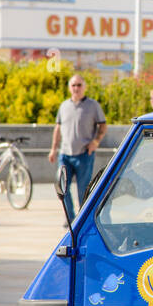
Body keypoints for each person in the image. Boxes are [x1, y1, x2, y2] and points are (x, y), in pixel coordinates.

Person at [49, 75, 107, 221]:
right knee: (62, 188)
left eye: (79, 85)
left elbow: (103, 125)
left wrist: (96, 142)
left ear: (84, 87)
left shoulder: (93, 105)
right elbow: (58, 127)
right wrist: (53, 149)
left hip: (84, 154)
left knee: (83, 191)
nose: (76, 88)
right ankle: (70, 218)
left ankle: (82, 221)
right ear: (70, 87)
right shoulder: (64, 106)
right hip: (65, 154)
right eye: (73, 85)